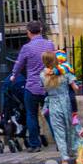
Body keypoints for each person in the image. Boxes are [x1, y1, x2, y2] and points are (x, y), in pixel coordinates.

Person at [9, 20, 56, 151]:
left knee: (31, 115)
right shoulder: (50, 44)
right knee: (50, 114)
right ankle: (59, 141)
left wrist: (13, 75)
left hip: (32, 87)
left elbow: (19, 64)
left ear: (28, 33)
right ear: (41, 29)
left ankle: (35, 144)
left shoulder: (27, 48)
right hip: (48, 85)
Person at [41, 50, 78, 164]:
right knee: (71, 129)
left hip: (53, 104)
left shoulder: (43, 75)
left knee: (59, 133)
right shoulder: (65, 73)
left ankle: (64, 160)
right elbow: (75, 88)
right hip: (66, 102)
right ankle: (75, 153)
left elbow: (44, 90)